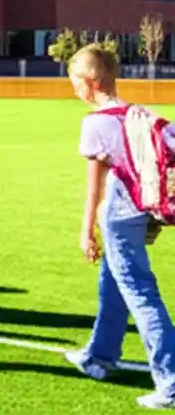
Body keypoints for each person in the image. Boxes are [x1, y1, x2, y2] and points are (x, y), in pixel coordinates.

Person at [62, 45, 175, 409]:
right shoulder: (139, 114)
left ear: (91, 82)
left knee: (140, 293)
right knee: (113, 283)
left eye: (75, 81)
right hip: (139, 212)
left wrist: (86, 231)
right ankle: (100, 356)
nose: (74, 89)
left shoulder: (95, 123)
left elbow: (95, 186)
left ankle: (170, 381)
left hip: (118, 214)